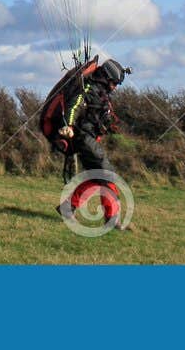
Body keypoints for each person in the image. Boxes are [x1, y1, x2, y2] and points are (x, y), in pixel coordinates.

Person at [51, 58, 129, 227]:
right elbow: (74, 106)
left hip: (91, 138)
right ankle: (112, 218)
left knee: (99, 177)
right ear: (106, 77)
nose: (115, 87)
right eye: (113, 82)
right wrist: (68, 125)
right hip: (83, 137)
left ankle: (69, 208)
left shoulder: (102, 92)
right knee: (107, 174)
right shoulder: (88, 88)